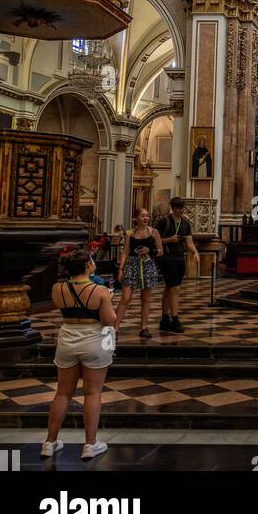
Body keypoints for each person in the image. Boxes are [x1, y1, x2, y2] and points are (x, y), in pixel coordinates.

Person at [42, 249, 117, 461]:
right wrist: (109, 300)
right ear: (87, 266)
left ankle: (49, 442)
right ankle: (90, 444)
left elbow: (63, 308)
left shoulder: (58, 288)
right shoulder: (100, 290)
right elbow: (109, 320)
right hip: (93, 338)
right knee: (92, 392)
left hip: (67, 338)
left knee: (63, 392)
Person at [115, 208, 164, 337]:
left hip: (147, 265)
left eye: (147, 216)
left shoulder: (154, 232)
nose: (146, 218)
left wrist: (150, 250)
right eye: (142, 216)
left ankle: (144, 328)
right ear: (136, 218)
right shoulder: (130, 233)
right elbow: (125, 252)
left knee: (146, 298)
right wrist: (120, 269)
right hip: (131, 265)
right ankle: (115, 328)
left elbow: (160, 251)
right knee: (125, 298)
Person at [156, 197, 200, 333]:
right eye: (178, 208)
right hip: (166, 257)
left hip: (179, 258)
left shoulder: (185, 223)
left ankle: (164, 318)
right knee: (175, 289)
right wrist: (169, 239)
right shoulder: (164, 222)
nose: (181, 210)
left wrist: (195, 252)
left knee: (169, 288)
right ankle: (175, 319)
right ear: (173, 208)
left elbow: (189, 242)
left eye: (182, 208)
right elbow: (155, 241)